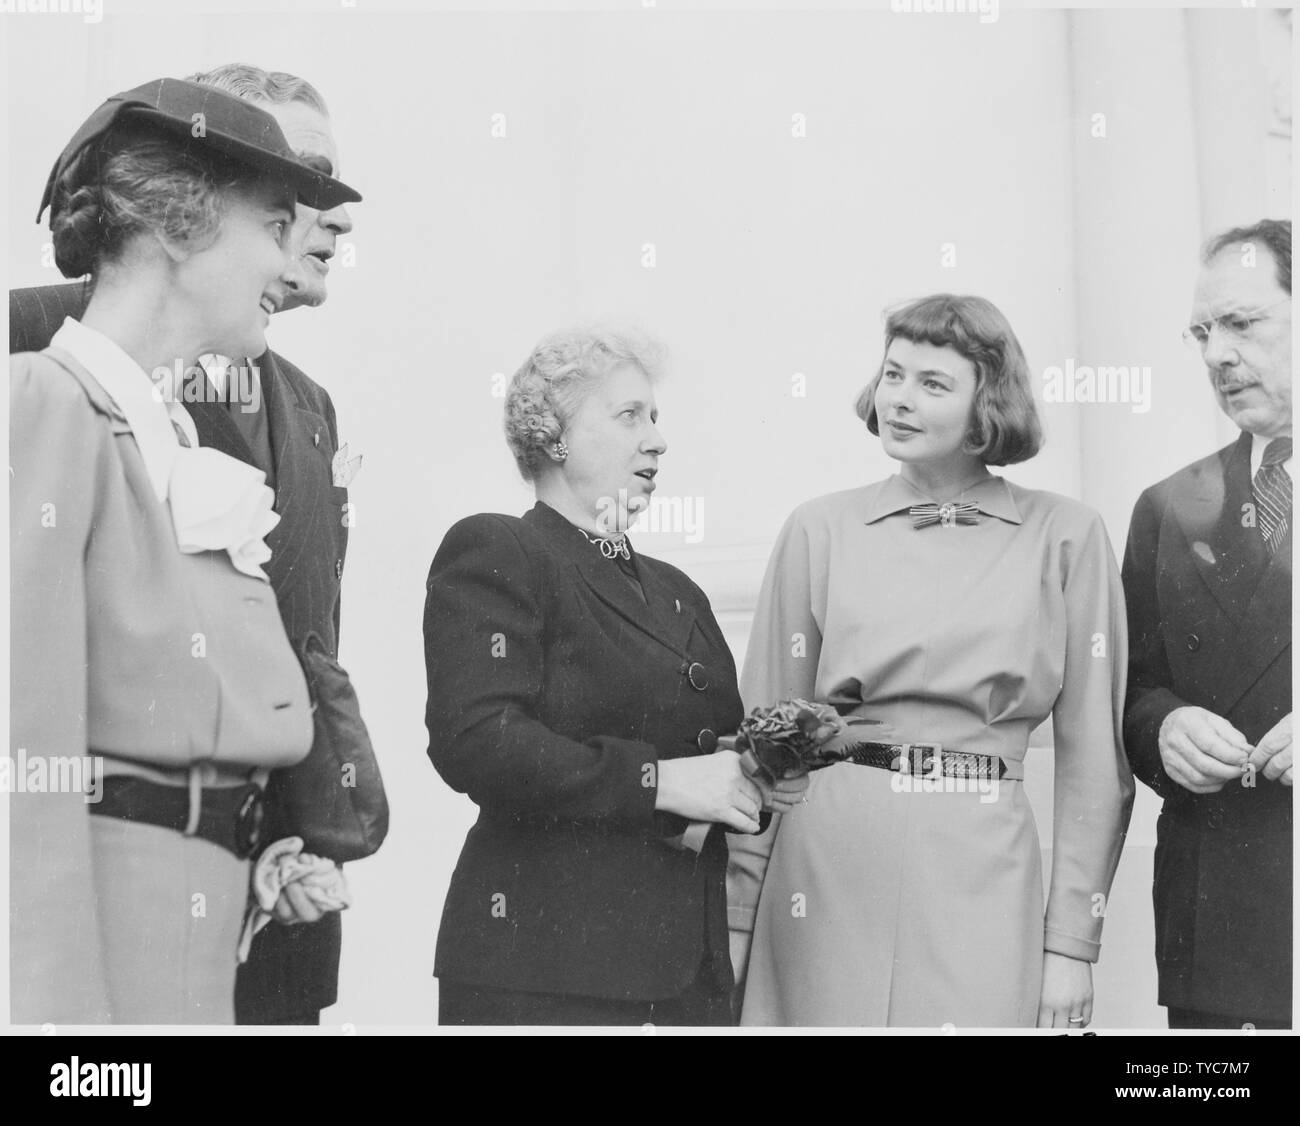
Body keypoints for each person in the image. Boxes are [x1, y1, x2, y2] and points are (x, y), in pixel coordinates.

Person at [9, 64, 368, 1028]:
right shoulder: (44, 402)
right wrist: (58, 1033)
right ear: (175, 226)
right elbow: (21, 769)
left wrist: (257, 849)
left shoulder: (161, 430)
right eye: (273, 221)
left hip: (196, 953)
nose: (295, 252)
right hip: (101, 989)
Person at [728, 294, 1135, 1028]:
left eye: (933, 384)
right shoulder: (817, 529)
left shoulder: (1067, 537)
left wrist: (1072, 945)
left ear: (990, 403)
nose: (900, 400)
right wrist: (735, 921)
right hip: (825, 866)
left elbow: (1094, 765)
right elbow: (764, 744)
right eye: (892, 375)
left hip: (981, 860)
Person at [424, 326, 802, 1025]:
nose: (657, 440)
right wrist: (662, 782)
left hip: (685, 974)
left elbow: (709, 751)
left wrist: (758, 772)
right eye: (630, 416)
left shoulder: (676, 588)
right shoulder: (498, 547)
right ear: (555, 435)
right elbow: (476, 739)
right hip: (546, 971)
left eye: (656, 418)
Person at [1122, 219, 1292, 1030]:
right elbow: (1131, 687)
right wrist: (1163, 728)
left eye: (1244, 323)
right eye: (1201, 332)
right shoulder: (1166, 507)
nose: (1216, 354)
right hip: (1217, 915)